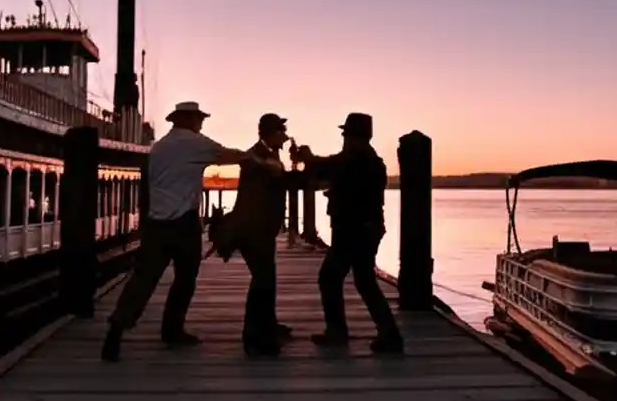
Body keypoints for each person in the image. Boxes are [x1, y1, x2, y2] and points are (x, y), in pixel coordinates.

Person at [102, 101, 279, 362]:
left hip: (155, 223)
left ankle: (118, 325)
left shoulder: (159, 146)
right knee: (185, 279)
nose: (201, 123)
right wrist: (261, 162)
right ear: (188, 119)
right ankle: (172, 329)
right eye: (199, 118)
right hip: (183, 223)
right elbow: (230, 155)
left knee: (144, 278)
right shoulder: (195, 143)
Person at [292, 113, 404, 354]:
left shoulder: (358, 160)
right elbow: (331, 168)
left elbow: (329, 167)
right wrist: (311, 161)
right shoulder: (368, 160)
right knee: (364, 281)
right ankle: (388, 335)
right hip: (365, 229)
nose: (344, 139)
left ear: (353, 137)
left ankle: (339, 332)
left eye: (346, 135)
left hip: (353, 230)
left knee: (330, 278)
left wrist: (309, 159)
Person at [230, 113, 297, 357]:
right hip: (253, 229)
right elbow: (266, 177)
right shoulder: (255, 156)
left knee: (267, 278)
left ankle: (268, 325)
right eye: (282, 131)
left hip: (264, 229)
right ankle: (254, 337)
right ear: (272, 132)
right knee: (262, 281)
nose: (285, 136)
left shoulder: (271, 154)